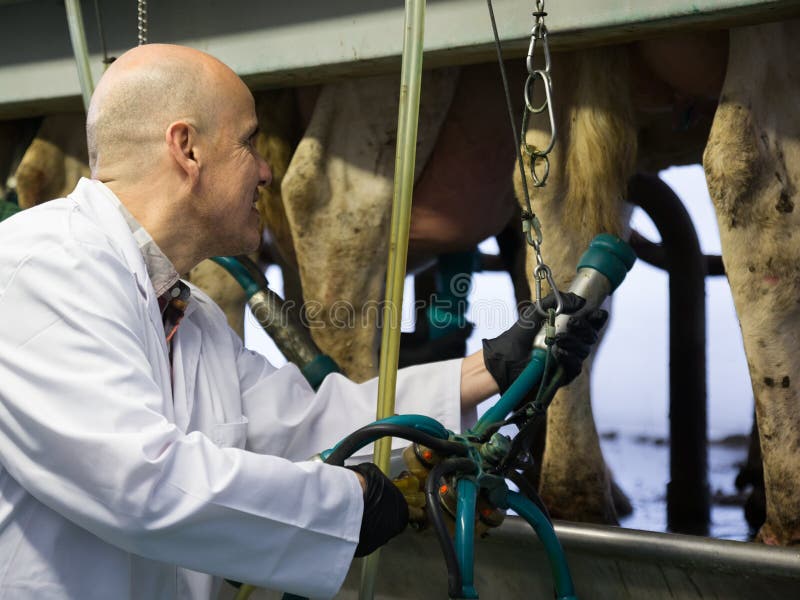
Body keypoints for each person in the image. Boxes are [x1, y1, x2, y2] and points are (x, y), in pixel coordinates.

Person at [0, 44, 604, 599]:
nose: (267, 171)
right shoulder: (40, 267)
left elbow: (306, 425)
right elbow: (139, 484)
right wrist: (350, 502)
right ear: (187, 149)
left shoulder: (190, 315)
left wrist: (489, 368)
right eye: (249, 143)